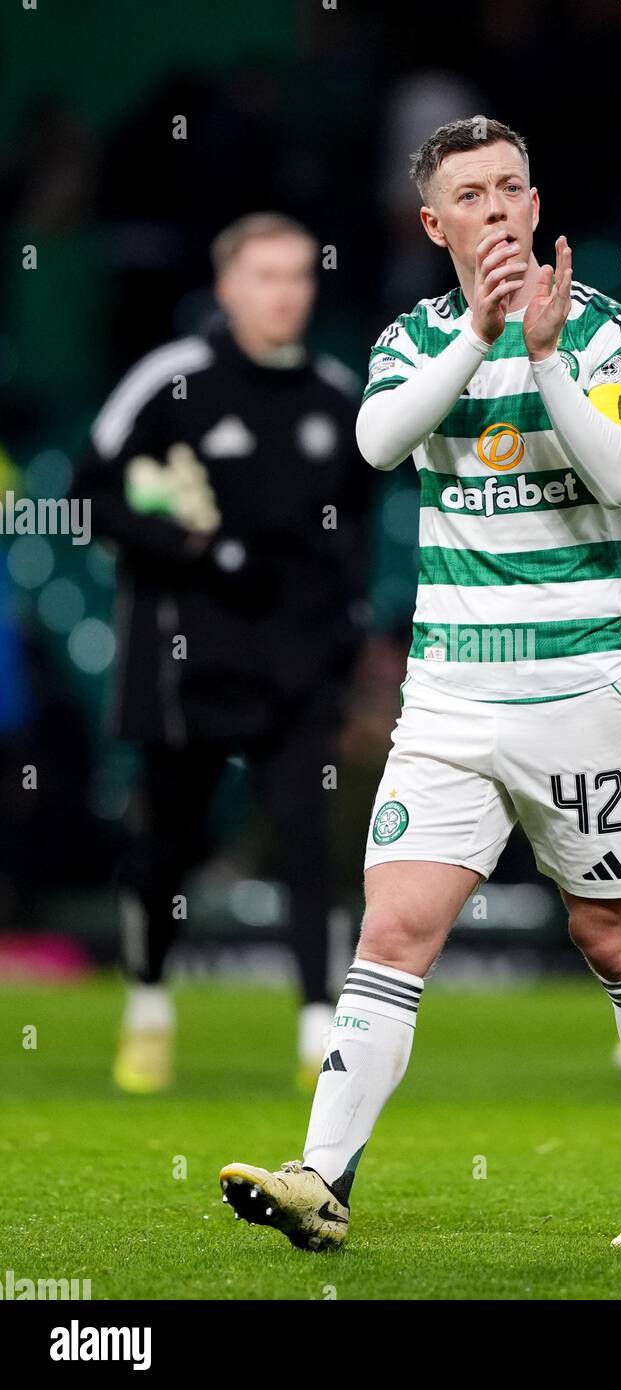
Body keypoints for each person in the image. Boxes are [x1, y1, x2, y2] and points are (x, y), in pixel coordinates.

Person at [219, 115, 621, 1252]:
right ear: (434, 223)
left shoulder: (604, 331)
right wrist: (480, 334)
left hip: (578, 690)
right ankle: (323, 1177)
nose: (496, 210)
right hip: (447, 698)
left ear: (535, 206)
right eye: (471, 196)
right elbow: (380, 442)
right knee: (392, 926)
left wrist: (537, 355)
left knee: (615, 933)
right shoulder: (411, 339)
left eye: (510, 189)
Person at [75, 213, 369, 1093]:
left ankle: (321, 1030)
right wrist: (193, 547)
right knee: (165, 844)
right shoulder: (172, 383)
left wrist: (347, 630)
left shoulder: (335, 394)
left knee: (311, 842)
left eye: (298, 276)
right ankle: (150, 1004)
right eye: (265, 276)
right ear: (228, 287)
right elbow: (91, 496)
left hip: (297, 667)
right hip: (185, 663)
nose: (286, 293)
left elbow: (354, 532)